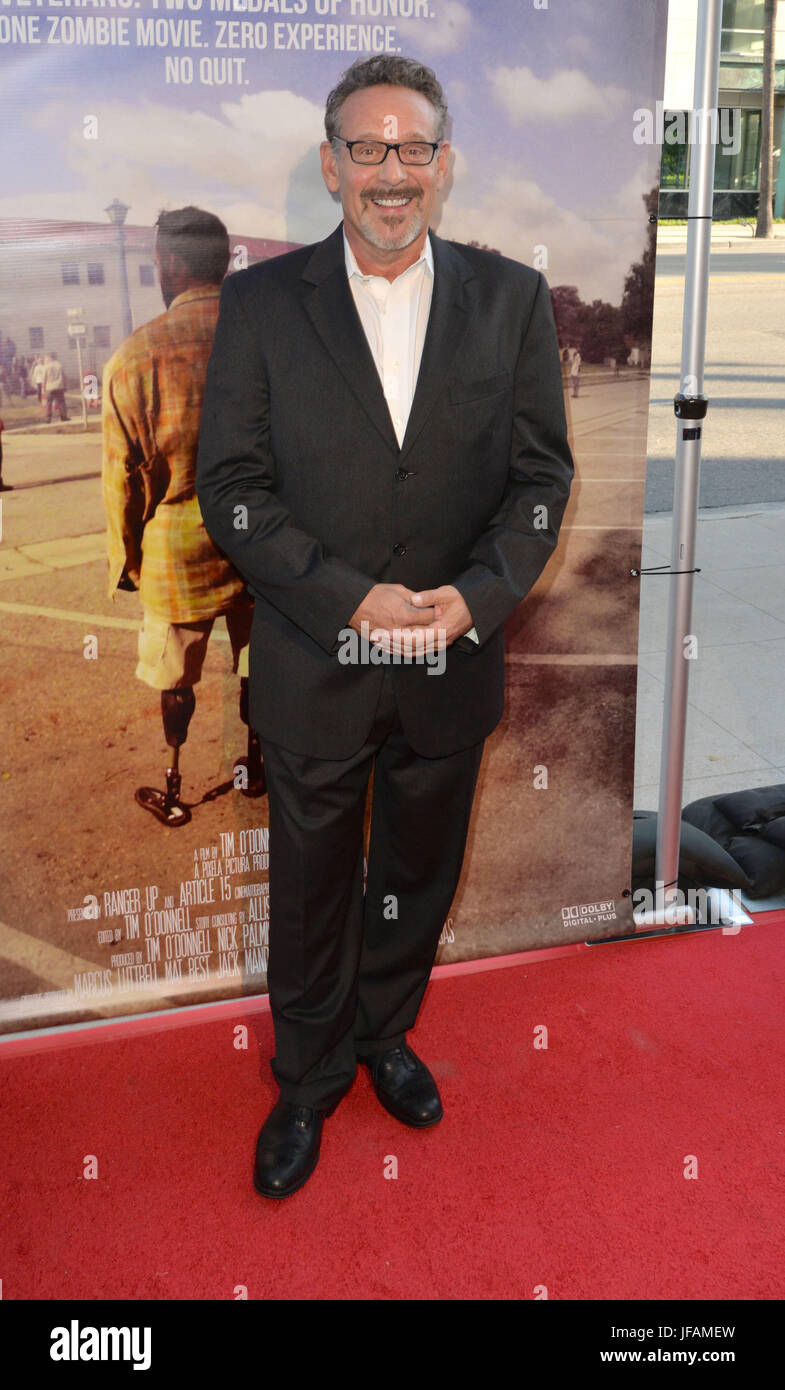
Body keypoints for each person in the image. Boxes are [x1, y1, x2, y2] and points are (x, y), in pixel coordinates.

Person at [196, 54, 574, 1199]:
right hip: (319, 657)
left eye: (413, 148)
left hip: (449, 662)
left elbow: (540, 479)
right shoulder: (262, 305)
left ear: (443, 167)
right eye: (367, 148)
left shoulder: (510, 300)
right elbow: (235, 486)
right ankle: (306, 1080)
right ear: (329, 167)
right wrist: (343, 594)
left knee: (416, 868)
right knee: (312, 882)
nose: (391, 171)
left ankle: (383, 1035)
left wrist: (480, 593)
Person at [101, 206, 264, 828]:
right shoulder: (270, 339)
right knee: (258, 658)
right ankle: (256, 763)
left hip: (176, 549)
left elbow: (122, 482)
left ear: (169, 264)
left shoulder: (135, 357)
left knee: (176, 672)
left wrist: (127, 562)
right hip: (262, 540)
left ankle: (174, 782)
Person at [43, 352, 68, 421]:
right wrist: (65, 386)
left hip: (49, 387)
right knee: (61, 402)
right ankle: (63, 417)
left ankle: (48, 418)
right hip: (59, 386)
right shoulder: (59, 365)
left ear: (50, 357)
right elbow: (64, 376)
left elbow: (44, 378)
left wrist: (43, 387)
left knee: (49, 403)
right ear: (55, 357)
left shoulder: (46, 366)